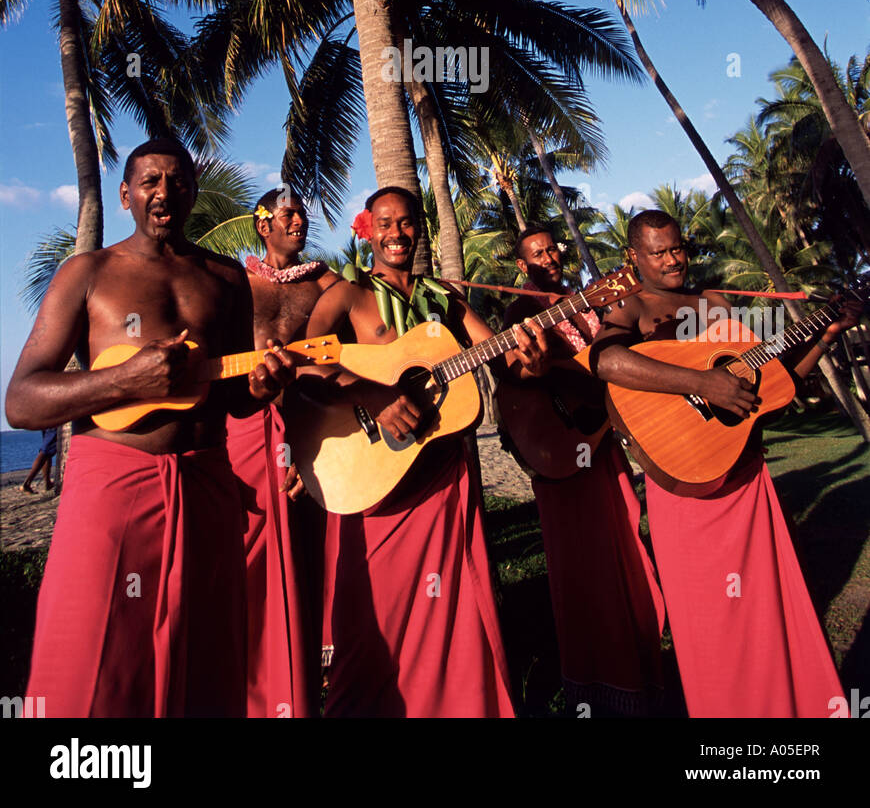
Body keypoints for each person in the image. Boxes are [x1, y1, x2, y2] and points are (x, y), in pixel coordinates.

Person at [5, 137, 296, 719]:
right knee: (95, 660)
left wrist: (260, 386)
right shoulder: (88, 273)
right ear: (126, 195)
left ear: (193, 193)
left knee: (208, 657)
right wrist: (122, 382)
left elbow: (234, 398)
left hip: (208, 484)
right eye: (150, 181)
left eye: (177, 181)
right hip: (111, 490)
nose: (164, 192)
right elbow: (21, 402)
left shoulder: (226, 279)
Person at [587, 209, 859, 719]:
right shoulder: (631, 305)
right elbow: (606, 361)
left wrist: (826, 334)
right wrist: (701, 382)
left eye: (677, 248)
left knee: (768, 610)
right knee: (711, 620)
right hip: (683, 486)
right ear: (633, 257)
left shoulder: (712, 303)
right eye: (658, 252)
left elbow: (775, 385)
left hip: (745, 477)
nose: (672, 260)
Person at [303, 186, 547, 718]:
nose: (397, 234)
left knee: (456, 617)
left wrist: (531, 355)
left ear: (420, 228)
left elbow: (504, 364)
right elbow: (306, 365)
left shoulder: (446, 299)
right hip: (377, 478)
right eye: (385, 223)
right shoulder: (346, 295)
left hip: (440, 476)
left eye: (407, 222)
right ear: (367, 229)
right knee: (375, 625)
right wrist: (374, 394)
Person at [498, 226, 665, 716]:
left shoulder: (587, 300)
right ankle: (597, 679)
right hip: (561, 444)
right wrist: (578, 369)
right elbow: (521, 372)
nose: (549, 257)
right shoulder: (519, 312)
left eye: (552, 248)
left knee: (624, 541)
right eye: (537, 254)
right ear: (522, 266)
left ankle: (637, 673)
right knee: (583, 560)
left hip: (600, 434)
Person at [226, 186, 340, 718]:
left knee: (308, 557)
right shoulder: (234, 286)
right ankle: (245, 679)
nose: (299, 219)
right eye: (287, 213)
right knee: (244, 560)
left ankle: (305, 682)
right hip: (243, 437)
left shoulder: (328, 284)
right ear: (263, 224)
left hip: (310, 429)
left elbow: (350, 355)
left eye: (302, 213)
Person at [20, 427, 58, 493]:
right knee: (46, 451)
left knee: (47, 450)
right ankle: (27, 483)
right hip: (54, 422)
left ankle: (47, 483)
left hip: (46, 421)